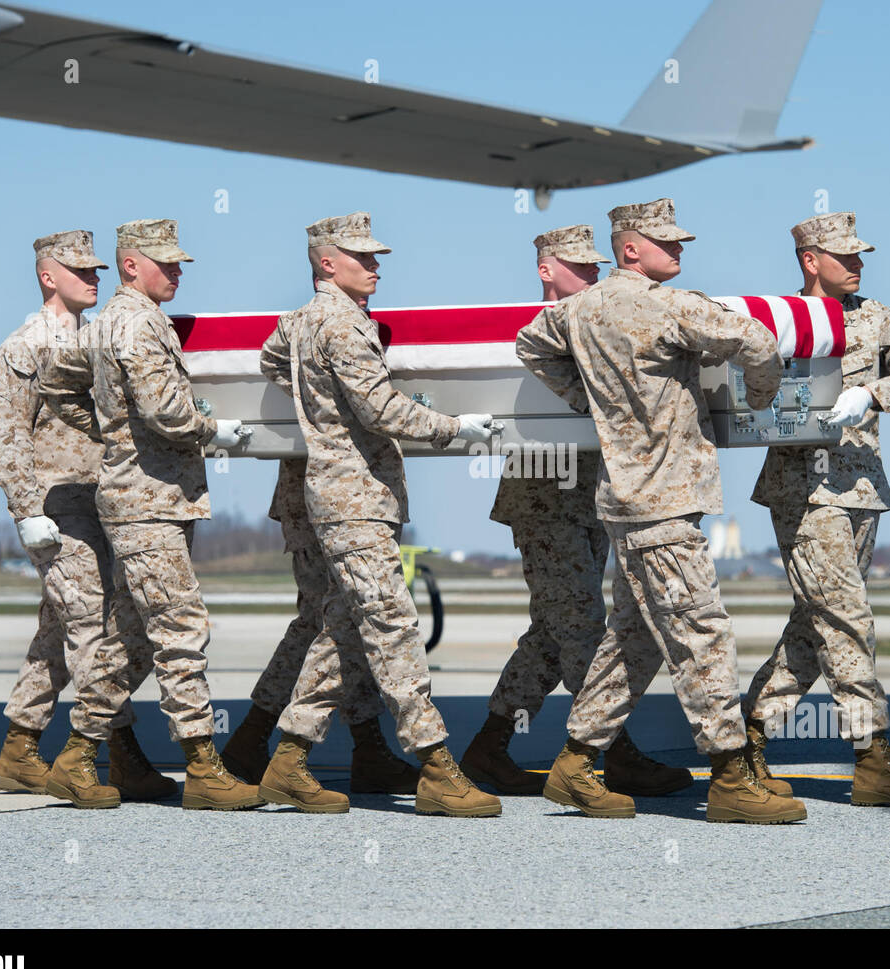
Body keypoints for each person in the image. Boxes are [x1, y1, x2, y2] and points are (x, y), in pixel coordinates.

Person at [517, 198, 806, 823]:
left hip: (626, 498)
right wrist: (760, 401)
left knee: (636, 636)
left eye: (680, 243)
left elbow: (530, 343)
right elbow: (756, 339)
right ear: (629, 250)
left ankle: (573, 765)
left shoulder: (576, 310)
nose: (678, 251)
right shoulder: (671, 306)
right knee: (701, 631)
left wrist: (584, 398)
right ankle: (730, 776)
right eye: (665, 243)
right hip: (666, 500)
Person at [259, 211, 501, 817]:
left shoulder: (299, 322)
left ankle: (287, 759)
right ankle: (436, 764)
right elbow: (381, 409)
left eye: (375, 256)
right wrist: (456, 430)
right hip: (355, 499)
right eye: (361, 257)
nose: (375, 266)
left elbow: (271, 360)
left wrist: (316, 407)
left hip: (344, 497)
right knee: (392, 626)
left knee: (343, 630)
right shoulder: (340, 323)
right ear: (325, 262)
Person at [461, 224, 691, 798]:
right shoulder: (534, 329)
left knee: (553, 628)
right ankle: (612, 752)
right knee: (582, 625)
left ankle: (490, 746)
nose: (592, 275)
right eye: (579, 267)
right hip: (542, 492)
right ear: (547, 270)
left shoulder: (597, 321)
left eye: (595, 267)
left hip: (589, 493)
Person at [41, 218, 261, 810]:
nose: (179, 272)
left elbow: (57, 381)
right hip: (147, 503)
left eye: (181, 262)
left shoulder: (106, 322)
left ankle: (76, 756)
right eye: (167, 263)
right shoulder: (138, 324)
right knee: (180, 630)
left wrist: (110, 433)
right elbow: (166, 412)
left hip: (145, 498)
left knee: (130, 640)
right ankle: (203, 767)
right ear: (131, 265)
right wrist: (218, 431)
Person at [744, 211, 890, 808]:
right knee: (847, 618)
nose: (858, 264)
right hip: (803, 492)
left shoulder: (882, 320)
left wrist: (875, 393)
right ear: (811, 261)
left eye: (861, 256)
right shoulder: (775, 322)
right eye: (845, 256)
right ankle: (872, 756)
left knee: (817, 624)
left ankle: (746, 739)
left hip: (860, 490)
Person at [0, 229, 172, 807]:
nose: (94, 278)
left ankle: (19, 750)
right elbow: (7, 433)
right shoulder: (26, 345)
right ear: (48, 276)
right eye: (80, 271)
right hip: (56, 509)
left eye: (97, 270)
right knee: (92, 627)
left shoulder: (97, 338)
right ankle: (117, 754)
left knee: (58, 631)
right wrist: (24, 510)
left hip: (103, 506)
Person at [220, 283, 418, 796]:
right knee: (325, 620)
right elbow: (272, 362)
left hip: (328, 496)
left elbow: (271, 361)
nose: (375, 274)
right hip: (322, 499)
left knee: (338, 619)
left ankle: (362, 748)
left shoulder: (314, 327)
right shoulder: (321, 328)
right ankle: (256, 738)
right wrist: (318, 395)